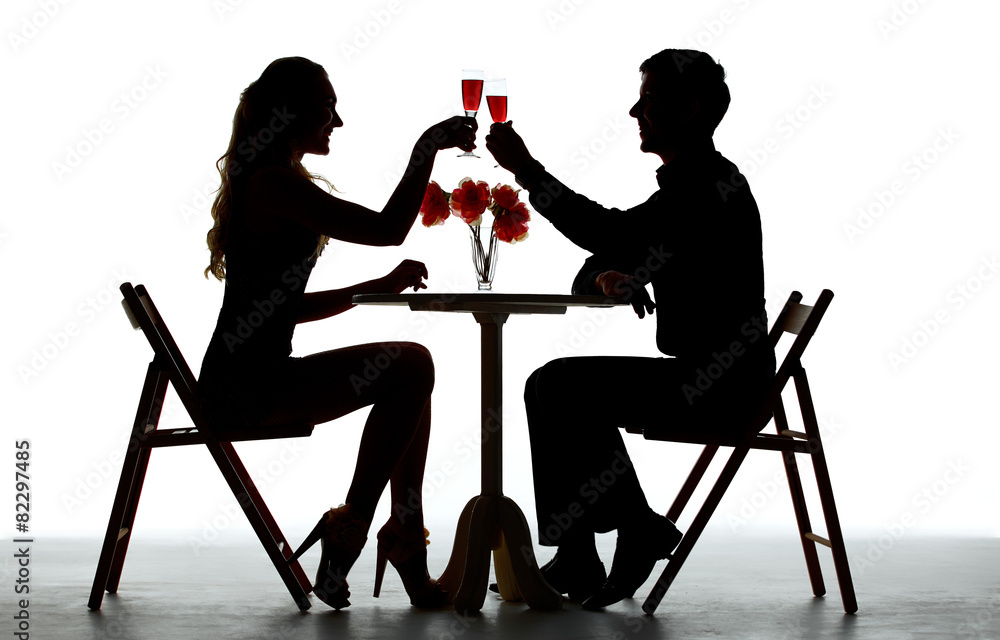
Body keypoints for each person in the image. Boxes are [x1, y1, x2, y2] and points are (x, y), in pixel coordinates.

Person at [485, 48, 775, 609]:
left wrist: (527, 171)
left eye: (648, 99)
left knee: (559, 387)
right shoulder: (695, 185)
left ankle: (628, 531)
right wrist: (607, 275)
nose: (633, 111)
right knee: (550, 385)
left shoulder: (705, 189)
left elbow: (607, 232)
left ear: (688, 108)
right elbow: (615, 246)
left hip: (721, 387)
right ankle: (583, 552)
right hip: (709, 376)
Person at [198, 57, 477, 609]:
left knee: (410, 375)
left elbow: (281, 309)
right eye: (328, 108)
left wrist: (373, 287)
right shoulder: (274, 185)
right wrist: (427, 148)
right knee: (412, 366)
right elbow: (388, 229)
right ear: (290, 114)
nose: (338, 122)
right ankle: (364, 530)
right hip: (245, 388)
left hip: (250, 377)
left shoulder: (271, 181)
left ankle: (399, 540)